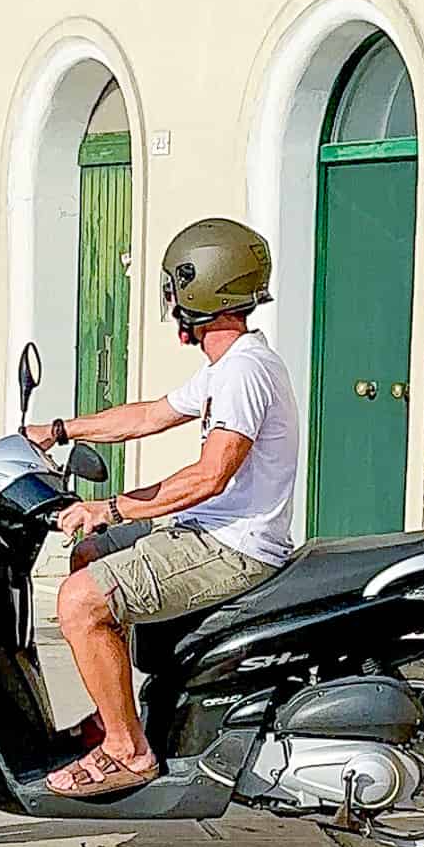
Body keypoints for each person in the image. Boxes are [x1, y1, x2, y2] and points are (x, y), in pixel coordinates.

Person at [22, 217, 299, 799]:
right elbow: (149, 415)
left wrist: (114, 508)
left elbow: (209, 475)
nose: (170, 301)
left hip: (233, 547)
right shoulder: (231, 364)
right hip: (207, 533)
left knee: (79, 601)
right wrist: (58, 429)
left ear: (202, 289)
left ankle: (128, 749)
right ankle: (114, 712)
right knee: (90, 556)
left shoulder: (245, 372)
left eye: (175, 287)